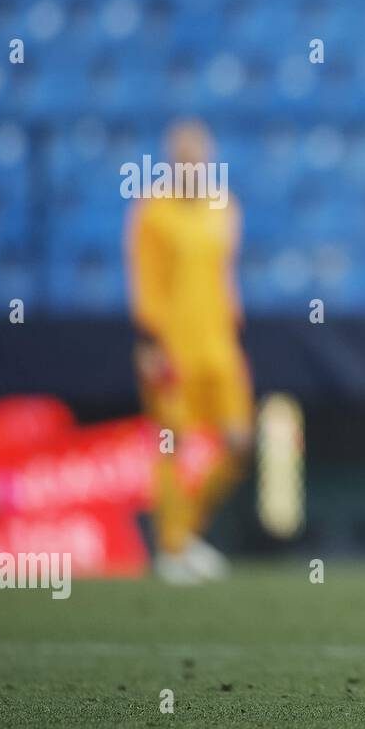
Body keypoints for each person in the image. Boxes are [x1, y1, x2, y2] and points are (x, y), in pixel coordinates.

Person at [126, 120, 253, 584]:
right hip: (171, 346)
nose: (191, 167)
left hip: (218, 345)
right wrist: (148, 344)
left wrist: (234, 335)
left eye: (197, 158)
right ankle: (171, 547)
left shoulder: (225, 207)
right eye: (182, 159)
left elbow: (225, 276)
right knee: (172, 442)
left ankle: (188, 532)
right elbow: (147, 281)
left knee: (238, 442)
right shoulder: (152, 213)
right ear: (169, 163)